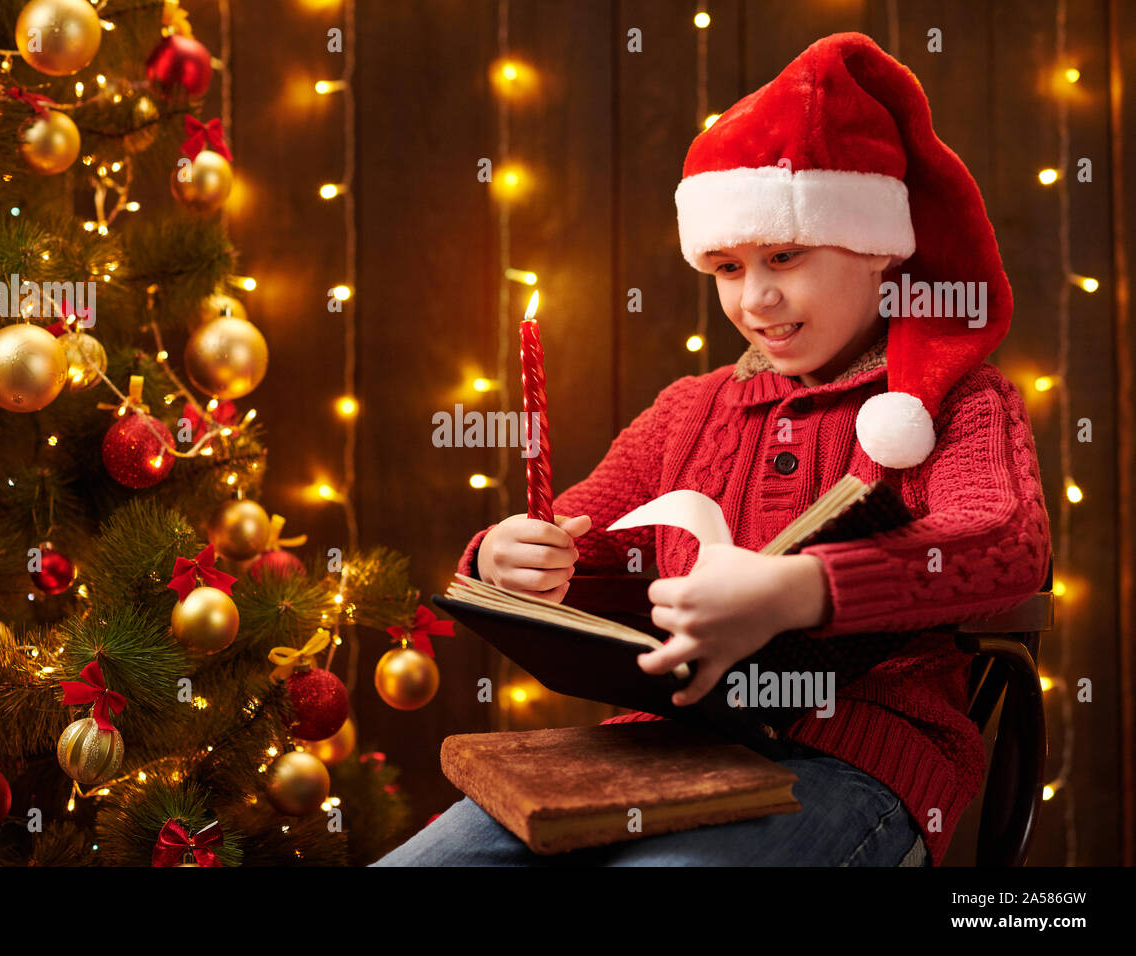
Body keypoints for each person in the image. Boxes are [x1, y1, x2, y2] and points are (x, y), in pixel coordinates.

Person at [372, 32, 1052, 867]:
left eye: (786, 257)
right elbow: (596, 548)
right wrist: (513, 561)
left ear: (880, 247)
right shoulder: (688, 412)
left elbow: (1007, 547)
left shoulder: (958, 402)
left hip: (853, 765)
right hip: (660, 750)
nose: (756, 297)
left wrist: (802, 590)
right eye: (728, 267)